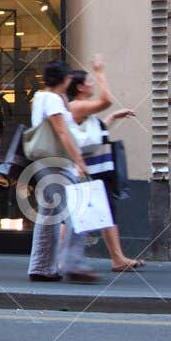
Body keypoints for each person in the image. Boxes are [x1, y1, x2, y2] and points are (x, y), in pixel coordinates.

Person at [66, 60, 144, 272]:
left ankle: (117, 258)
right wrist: (100, 71)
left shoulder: (83, 112)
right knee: (77, 218)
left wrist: (111, 119)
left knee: (103, 214)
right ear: (80, 87)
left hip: (97, 171)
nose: (92, 84)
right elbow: (106, 100)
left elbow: (90, 138)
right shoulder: (76, 106)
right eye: (89, 81)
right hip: (88, 172)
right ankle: (61, 259)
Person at [26, 61, 98, 284]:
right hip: (56, 163)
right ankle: (72, 263)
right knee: (79, 210)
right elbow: (62, 132)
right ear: (65, 79)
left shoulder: (41, 97)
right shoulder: (53, 100)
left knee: (48, 216)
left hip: (44, 163)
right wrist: (79, 160)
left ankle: (41, 267)